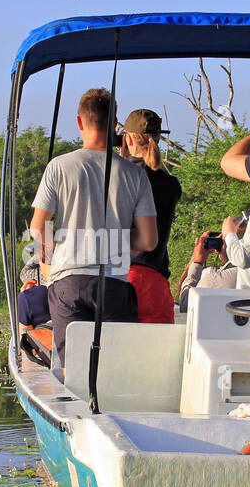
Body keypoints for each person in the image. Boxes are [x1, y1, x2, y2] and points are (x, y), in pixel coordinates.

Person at [30, 87, 158, 366]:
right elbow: (149, 241)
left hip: (69, 283)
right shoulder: (135, 175)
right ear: (115, 125)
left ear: (79, 122)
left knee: (73, 368)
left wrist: (54, 252)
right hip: (114, 284)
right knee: (116, 369)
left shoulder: (59, 166)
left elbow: (38, 230)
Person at [119, 109, 181, 323]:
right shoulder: (172, 185)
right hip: (156, 286)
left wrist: (120, 159)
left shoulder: (118, 178)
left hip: (121, 280)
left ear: (127, 138)